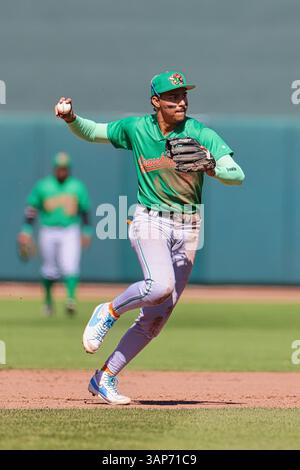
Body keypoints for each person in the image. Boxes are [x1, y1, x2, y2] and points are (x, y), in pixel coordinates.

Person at [55, 71, 245, 404]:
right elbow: (94, 131)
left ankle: (105, 377)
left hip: (188, 227)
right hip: (150, 220)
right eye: (173, 97)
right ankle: (109, 311)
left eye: (184, 95)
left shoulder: (199, 133)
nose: (181, 101)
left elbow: (237, 174)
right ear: (156, 102)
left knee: (157, 316)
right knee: (160, 286)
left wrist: (212, 165)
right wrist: (71, 118)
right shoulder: (136, 128)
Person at [18, 152, 92, 316]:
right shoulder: (43, 186)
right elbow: (31, 209)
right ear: (54, 168)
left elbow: (85, 210)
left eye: (64, 168)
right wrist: (26, 230)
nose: (62, 171)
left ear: (69, 169)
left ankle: (70, 299)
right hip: (48, 230)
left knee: (70, 264)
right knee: (49, 268)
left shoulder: (77, 186)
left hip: (70, 230)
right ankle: (48, 301)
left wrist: (87, 231)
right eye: (59, 168)